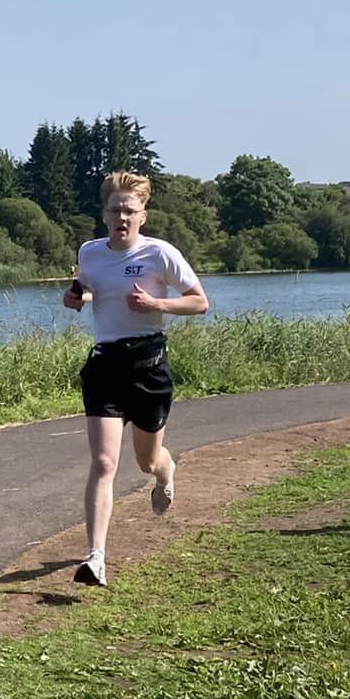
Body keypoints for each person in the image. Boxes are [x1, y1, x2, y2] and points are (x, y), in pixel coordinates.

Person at [62, 172, 209, 586]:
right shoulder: (90, 253)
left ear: (143, 215)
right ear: (104, 214)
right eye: (115, 210)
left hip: (149, 367)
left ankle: (166, 472)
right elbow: (89, 291)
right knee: (105, 462)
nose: (121, 217)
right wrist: (75, 298)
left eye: (130, 210)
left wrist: (156, 303)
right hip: (106, 366)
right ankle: (96, 557)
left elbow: (200, 303)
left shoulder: (161, 254)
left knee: (146, 461)